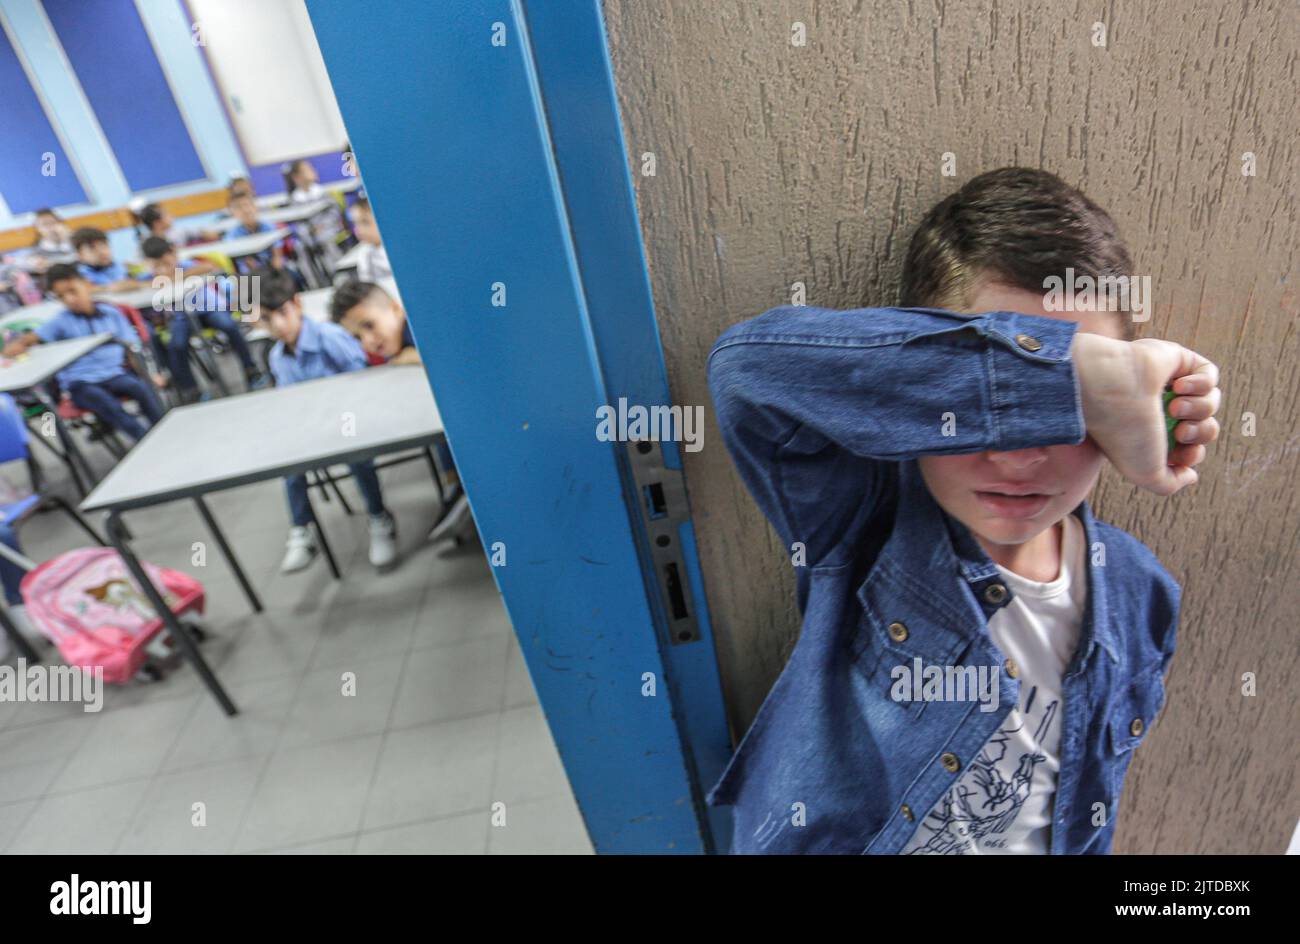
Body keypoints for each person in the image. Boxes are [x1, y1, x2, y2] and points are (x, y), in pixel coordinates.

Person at [704, 167, 1222, 855]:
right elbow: (747, 374)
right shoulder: (863, 525)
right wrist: (1078, 379)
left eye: (1070, 415)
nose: (1017, 458)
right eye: (986, 406)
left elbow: (1086, 800)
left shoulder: (1143, 593)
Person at [256, 269, 398, 573]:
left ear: (297, 304)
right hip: (315, 427)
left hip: (352, 419)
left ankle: (378, 516)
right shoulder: (277, 357)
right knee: (290, 462)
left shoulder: (329, 337)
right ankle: (301, 530)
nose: (278, 326)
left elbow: (363, 381)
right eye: (267, 319)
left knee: (355, 453)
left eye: (282, 313)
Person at [329, 281, 473, 546]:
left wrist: (417, 357)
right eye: (357, 337)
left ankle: (463, 493)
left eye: (369, 325)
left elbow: (460, 368)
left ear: (396, 309)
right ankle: (456, 490)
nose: (368, 341)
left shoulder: (420, 334)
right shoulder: (397, 343)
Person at [2, 264, 164, 443]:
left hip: (114, 374)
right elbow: (29, 339)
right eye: (61, 296)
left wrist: (149, 375)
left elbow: (131, 348)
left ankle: (164, 430)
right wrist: (17, 346)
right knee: (107, 403)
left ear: (86, 284)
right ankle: (147, 441)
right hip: (81, 384)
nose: (70, 299)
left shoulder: (111, 313)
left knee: (141, 388)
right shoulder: (60, 321)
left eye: (73, 291)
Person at [141, 236, 269, 400]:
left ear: (173, 254)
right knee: (176, 345)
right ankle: (191, 389)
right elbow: (131, 284)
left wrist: (171, 278)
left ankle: (251, 370)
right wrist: (153, 280)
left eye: (166, 263)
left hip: (210, 309)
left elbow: (209, 266)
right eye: (157, 266)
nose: (163, 268)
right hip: (182, 317)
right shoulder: (150, 277)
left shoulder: (186, 265)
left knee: (229, 326)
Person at [72, 227, 149, 293]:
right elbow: (83, 291)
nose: (102, 252)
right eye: (92, 248)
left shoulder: (126, 267)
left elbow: (151, 282)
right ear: (80, 255)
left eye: (104, 245)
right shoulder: (79, 276)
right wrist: (107, 288)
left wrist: (136, 284)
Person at [348, 198, 391, 283]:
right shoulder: (365, 253)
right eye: (355, 223)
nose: (358, 229)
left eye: (365, 222)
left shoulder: (397, 249)